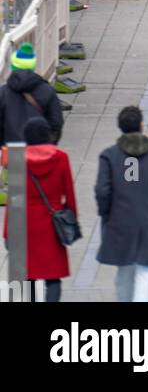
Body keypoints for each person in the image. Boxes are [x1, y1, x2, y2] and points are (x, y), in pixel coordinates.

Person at [95, 105, 148, 303]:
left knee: (124, 268)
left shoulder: (109, 156)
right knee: (146, 270)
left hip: (119, 220)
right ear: (141, 125)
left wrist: (106, 214)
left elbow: (103, 191)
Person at [3, 116, 77, 302]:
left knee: (28, 277)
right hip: (52, 223)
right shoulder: (60, 158)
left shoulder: (17, 160)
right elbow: (69, 194)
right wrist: (71, 220)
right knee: (53, 277)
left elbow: (13, 199)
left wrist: (6, 232)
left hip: (23, 224)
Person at [0, 41, 63, 144]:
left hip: (12, 150)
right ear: (33, 66)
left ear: (13, 66)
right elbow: (56, 122)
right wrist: (49, 144)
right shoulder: (47, 90)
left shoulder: (3, 93)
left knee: (14, 161)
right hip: (41, 150)